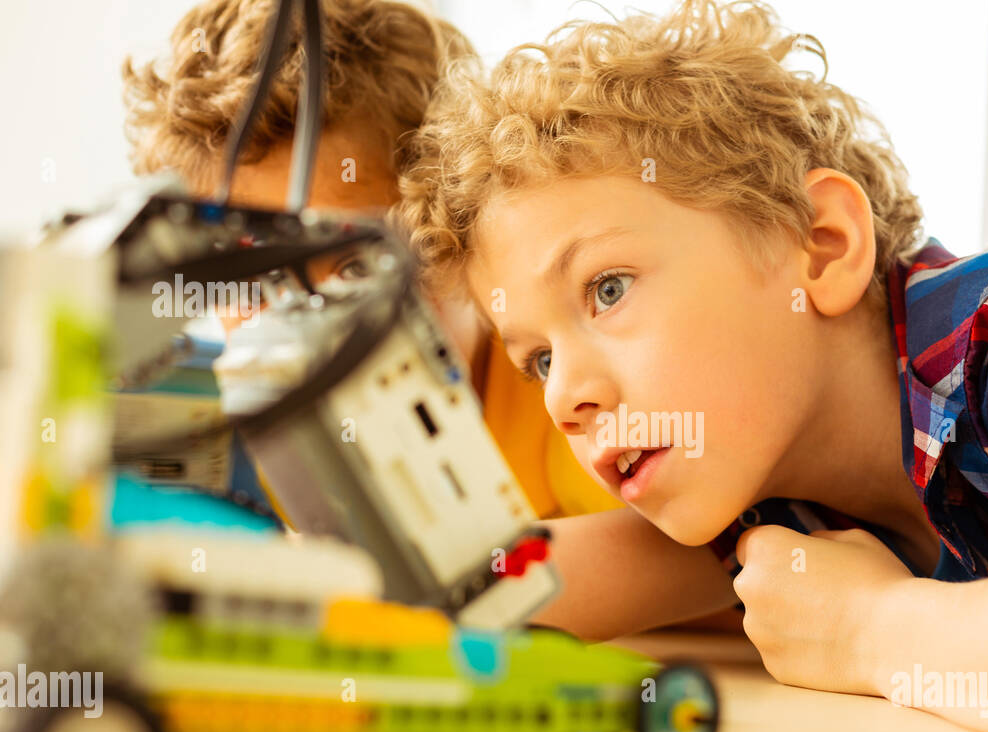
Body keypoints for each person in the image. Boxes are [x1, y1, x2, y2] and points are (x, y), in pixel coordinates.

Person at [396, 0, 988, 732]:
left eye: (607, 288)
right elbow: (483, 591)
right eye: (538, 359)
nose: (563, 398)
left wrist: (870, 628)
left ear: (822, 245)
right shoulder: (767, 480)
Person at [122, 0, 622, 519]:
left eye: (357, 267)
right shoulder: (252, 446)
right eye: (259, 282)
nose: (314, 330)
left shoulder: (573, 408)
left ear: (459, 228)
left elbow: (695, 560)